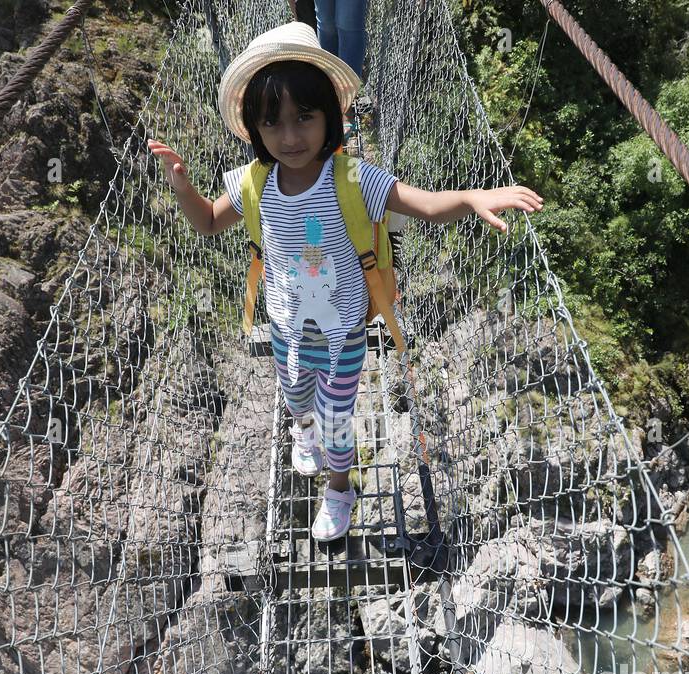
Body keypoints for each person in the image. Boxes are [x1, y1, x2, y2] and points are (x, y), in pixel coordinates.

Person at [146, 22, 543, 541]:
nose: (290, 137)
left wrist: (470, 198)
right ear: (254, 127)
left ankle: (339, 490)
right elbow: (207, 222)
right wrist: (182, 185)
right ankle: (303, 429)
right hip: (285, 325)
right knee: (295, 398)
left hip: (345, 332)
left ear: (330, 117)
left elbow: (422, 204)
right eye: (274, 123)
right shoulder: (253, 182)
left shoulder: (353, 179)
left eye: (305, 118)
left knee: (336, 419)